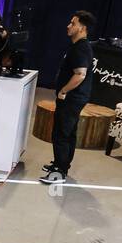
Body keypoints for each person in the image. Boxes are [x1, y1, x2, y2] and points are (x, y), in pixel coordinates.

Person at [41, 10, 97, 186]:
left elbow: (80, 74)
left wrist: (63, 91)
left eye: (73, 23)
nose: (68, 26)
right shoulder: (77, 46)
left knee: (62, 133)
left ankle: (59, 172)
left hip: (72, 98)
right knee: (68, 132)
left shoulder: (81, 47)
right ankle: (61, 164)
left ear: (82, 27)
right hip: (75, 98)